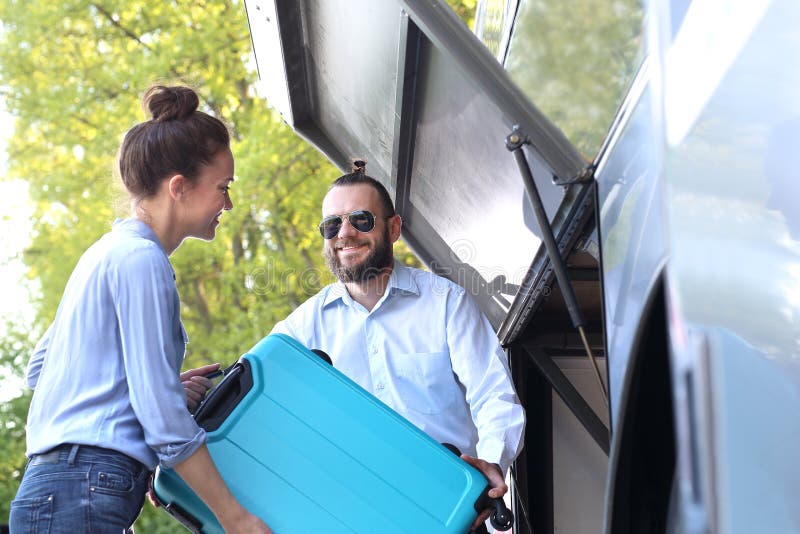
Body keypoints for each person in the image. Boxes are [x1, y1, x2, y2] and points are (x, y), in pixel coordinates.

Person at [9, 85, 271, 534]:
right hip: (84, 490)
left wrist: (155, 384)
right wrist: (236, 518)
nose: (228, 203)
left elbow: (40, 370)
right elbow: (163, 420)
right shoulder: (142, 260)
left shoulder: (107, 252)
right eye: (223, 189)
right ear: (178, 188)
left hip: (68, 490)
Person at [271, 161, 525, 531]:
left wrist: (490, 462)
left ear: (393, 228)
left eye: (361, 220)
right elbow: (256, 399)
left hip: (451, 513)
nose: (344, 233)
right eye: (332, 225)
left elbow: (494, 395)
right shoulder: (300, 328)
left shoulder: (446, 302)